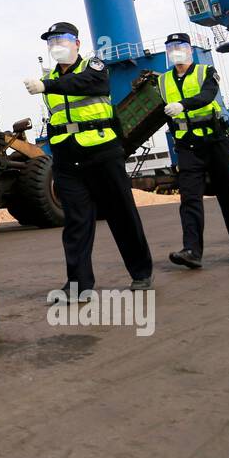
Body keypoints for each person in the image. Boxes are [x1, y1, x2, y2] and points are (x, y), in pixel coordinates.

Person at [23, 22, 154, 303]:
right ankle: (79, 284)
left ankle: (141, 271)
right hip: (67, 157)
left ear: (77, 44)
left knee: (121, 213)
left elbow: (91, 85)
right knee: (76, 221)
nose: (57, 45)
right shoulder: (49, 78)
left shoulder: (93, 66)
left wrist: (47, 84)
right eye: (52, 41)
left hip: (102, 151)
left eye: (62, 39)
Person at [157, 32, 229, 267]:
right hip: (187, 145)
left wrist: (183, 105)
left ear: (190, 49)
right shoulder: (162, 80)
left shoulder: (206, 72)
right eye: (170, 47)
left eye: (180, 46)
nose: (175, 50)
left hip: (214, 141)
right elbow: (165, 112)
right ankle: (192, 251)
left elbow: (208, 95)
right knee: (189, 198)